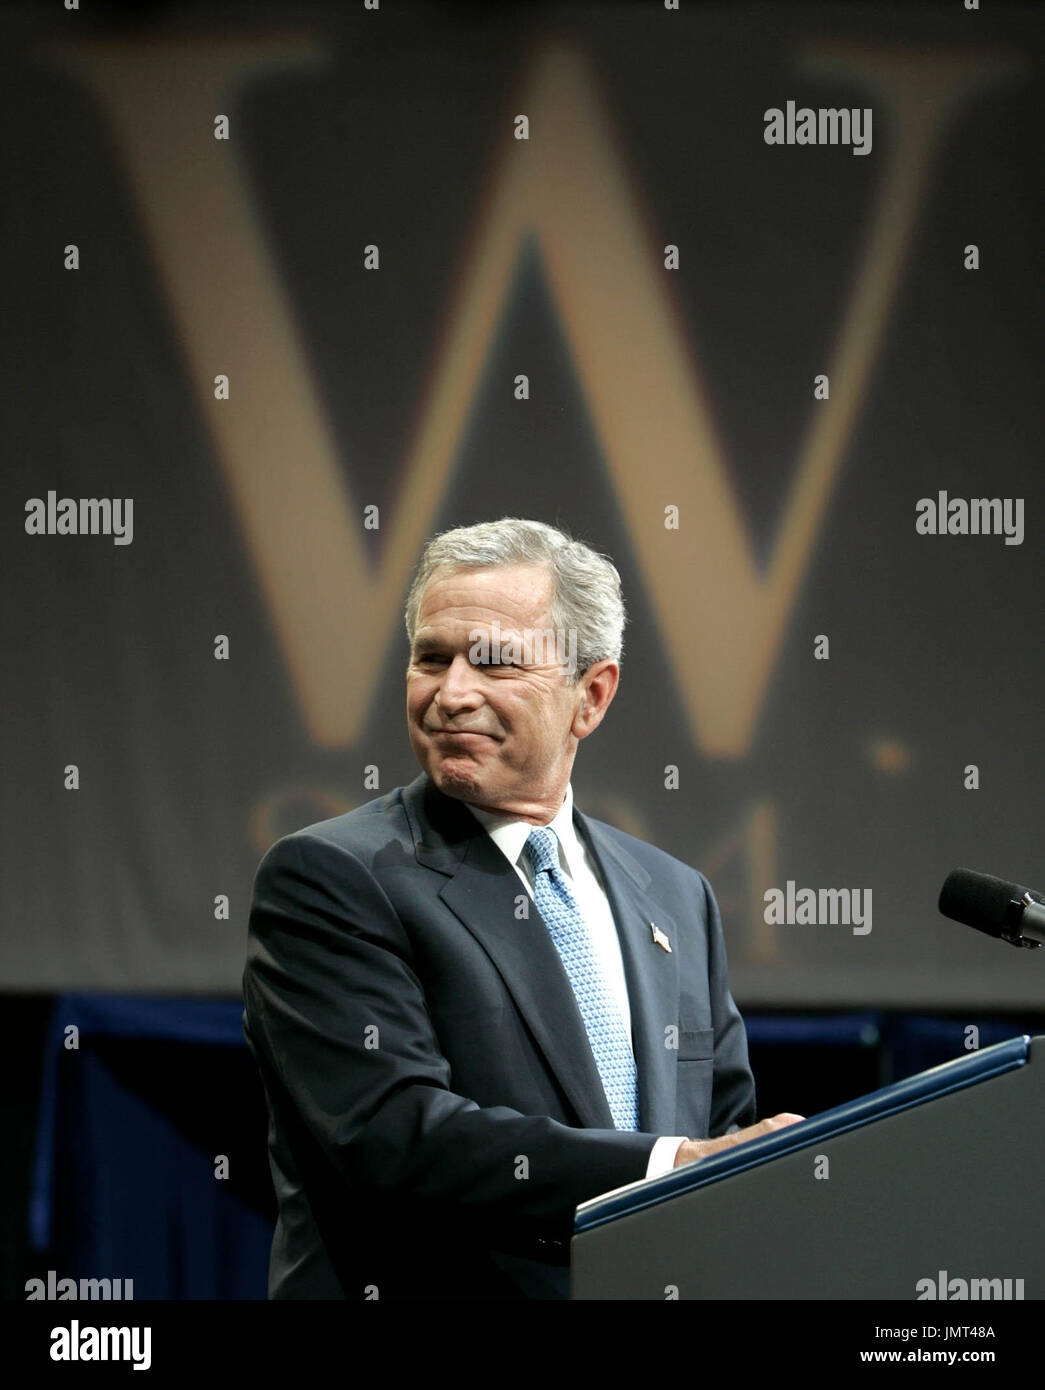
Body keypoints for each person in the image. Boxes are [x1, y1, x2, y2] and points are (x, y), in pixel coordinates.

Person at [242, 517, 801, 1300]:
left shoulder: (674, 894)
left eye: (495, 662)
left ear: (591, 695)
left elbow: (722, 1133)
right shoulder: (333, 875)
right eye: (431, 659)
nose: (452, 693)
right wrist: (663, 1168)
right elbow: (394, 1134)